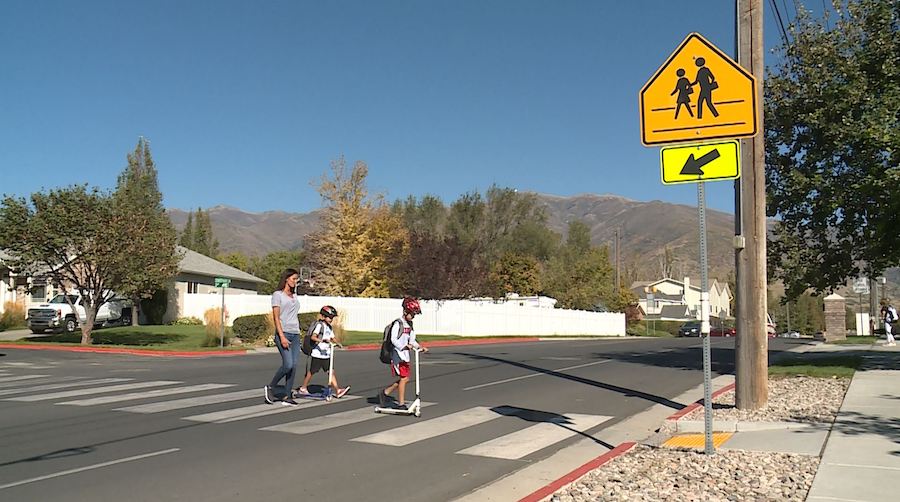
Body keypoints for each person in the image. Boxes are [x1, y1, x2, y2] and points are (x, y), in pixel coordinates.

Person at [379, 297, 428, 410]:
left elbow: (412, 340)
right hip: (397, 355)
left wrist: (419, 347)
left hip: (405, 356)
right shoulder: (398, 323)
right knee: (404, 378)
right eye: (412, 314)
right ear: (405, 311)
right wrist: (403, 347)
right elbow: (393, 339)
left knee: (405, 379)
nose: (413, 317)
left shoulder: (410, 325)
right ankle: (401, 403)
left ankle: (385, 393)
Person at [264, 268, 302, 406]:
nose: (295, 282)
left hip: (295, 333)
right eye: (293, 279)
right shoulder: (277, 295)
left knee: (294, 366)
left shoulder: (295, 296)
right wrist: (282, 336)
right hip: (284, 333)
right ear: (286, 279)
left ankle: (287, 395)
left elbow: (294, 314)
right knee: (288, 364)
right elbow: (276, 317)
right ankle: (271, 387)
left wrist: (298, 332)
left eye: (297, 279)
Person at [297, 305, 350, 398]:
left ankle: (338, 390)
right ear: (323, 316)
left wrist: (338, 343)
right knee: (312, 371)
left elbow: (332, 337)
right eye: (329, 317)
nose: (331, 319)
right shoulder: (319, 325)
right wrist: (322, 341)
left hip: (326, 354)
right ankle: (303, 388)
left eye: (332, 318)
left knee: (331, 372)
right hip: (318, 354)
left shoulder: (329, 327)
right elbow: (313, 337)